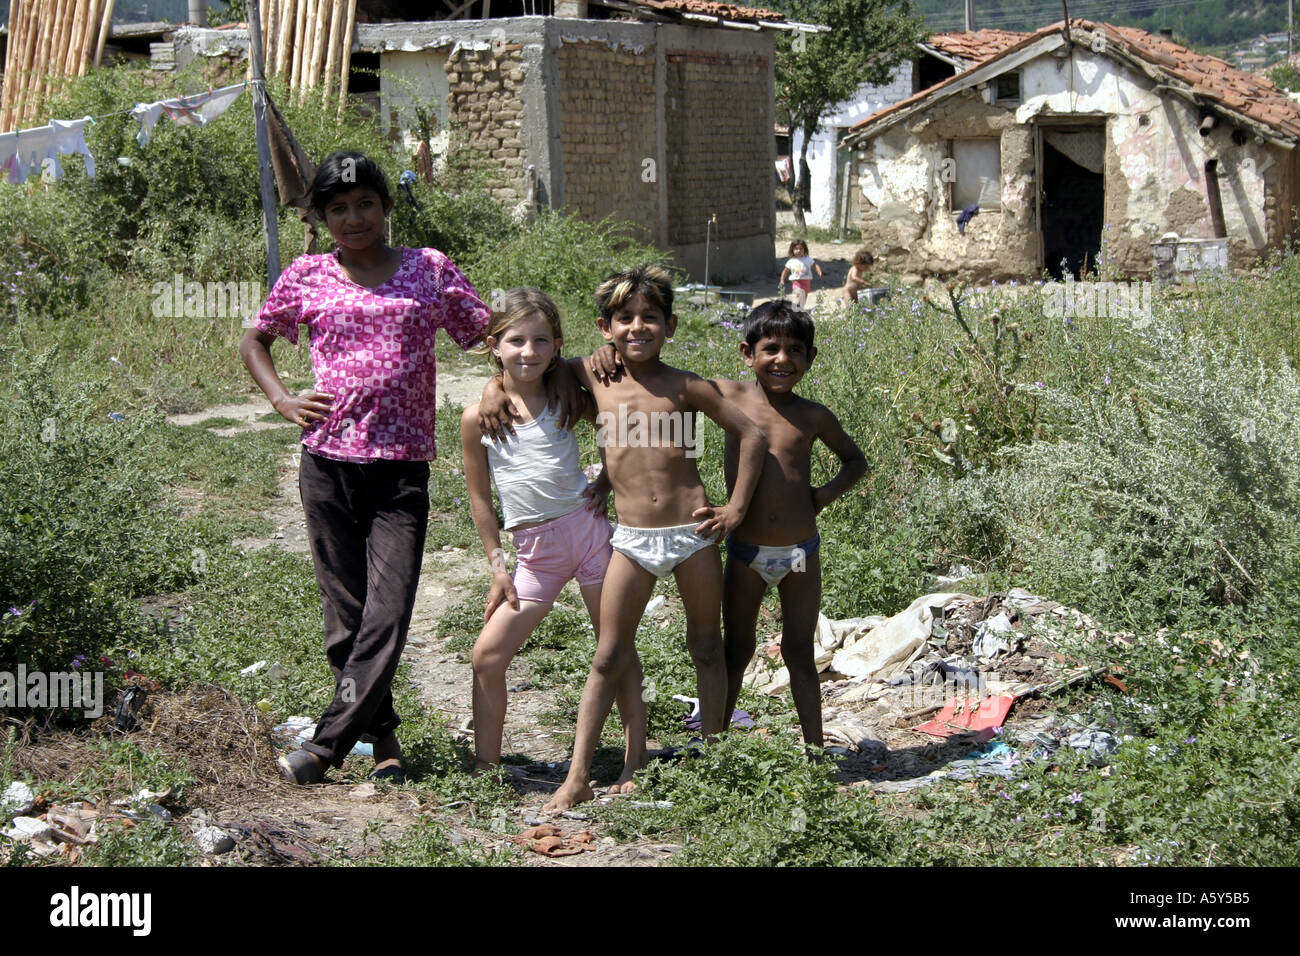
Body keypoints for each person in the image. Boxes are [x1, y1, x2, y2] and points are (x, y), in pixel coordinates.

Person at [239, 151, 491, 785]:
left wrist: (568, 358)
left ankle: (324, 747)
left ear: (387, 207)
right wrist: (280, 397)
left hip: (401, 471)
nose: (353, 218)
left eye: (366, 204)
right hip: (327, 463)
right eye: (338, 209)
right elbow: (256, 337)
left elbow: (489, 332)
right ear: (323, 218)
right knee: (343, 615)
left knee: (389, 609)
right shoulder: (306, 274)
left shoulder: (428, 269)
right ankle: (382, 741)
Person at [524, 265, 768, 812]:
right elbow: (535, 365)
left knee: (706, 646)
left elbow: (751, 433)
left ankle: (714, 757)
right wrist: (498, 393)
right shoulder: (595, 375)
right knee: (608, 653)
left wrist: (735, 509)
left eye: (650, 318)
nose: (638, 327)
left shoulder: (686, 386)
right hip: (631, 537)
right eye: (624, 318)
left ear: (671, 324)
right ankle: (578, 774)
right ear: (605, 326)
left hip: (692, 534)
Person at [460, 288, 647, 788]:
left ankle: (635, 758)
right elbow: (481, 500)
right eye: (516, 340)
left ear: (557, 345)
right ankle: (486, 768)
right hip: (533, 556)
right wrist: (498, 567)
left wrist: (606, 480)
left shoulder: (567, 395)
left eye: (541, 341)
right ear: (494, 344)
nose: (529, 351)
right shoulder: (479, 416)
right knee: (487, 656)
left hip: (589, 536)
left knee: (616, 647)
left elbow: (621, 426)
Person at [716, 301, 867, 749]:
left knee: (799, 651)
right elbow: (669, 387)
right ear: (748, 353)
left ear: (811, 357)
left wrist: (820, 497)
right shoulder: (728, 397)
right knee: (736, 649)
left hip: (801, 553)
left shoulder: (813, 415)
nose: (783, 360)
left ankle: (815, 751)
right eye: (771, 349)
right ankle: (717, 747)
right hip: (746, 554)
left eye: (795, 350)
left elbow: (855, 461)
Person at [779, 238, 823, 309]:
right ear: (792, 250)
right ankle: (795, 309)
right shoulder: (791, 261)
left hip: (806, 282)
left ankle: (800, 311)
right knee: (797, 297)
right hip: (797, 282)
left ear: (804, 250)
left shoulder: (808, 259)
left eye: (801, 249)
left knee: (803, 300)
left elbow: (815, 265)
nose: (798, 251)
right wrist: (782, 279)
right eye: (796, 249)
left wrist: (819, 271)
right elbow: (785, 271)